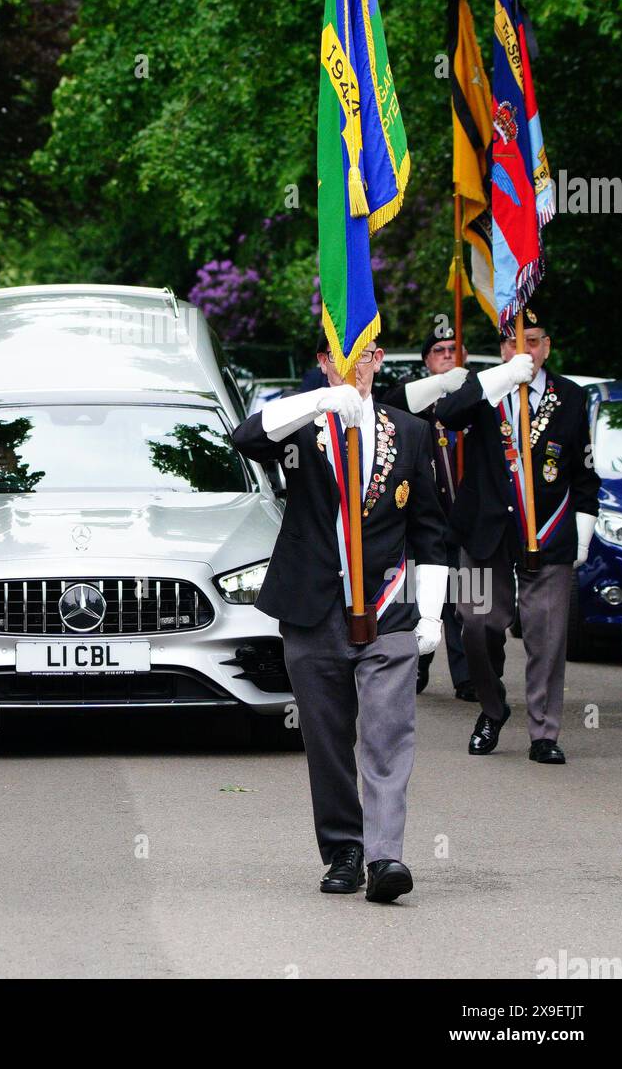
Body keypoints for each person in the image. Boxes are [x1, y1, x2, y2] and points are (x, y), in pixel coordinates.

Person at [232, 336, 448, 903]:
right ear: (325, 362)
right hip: (313, 607)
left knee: (386, 733)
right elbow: (246, 436)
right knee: (327, 739)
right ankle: (344, 849)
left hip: (388, 606)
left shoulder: (411, 430)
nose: (356, 363)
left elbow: (430, 528)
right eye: (340, 354)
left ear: (379, 360)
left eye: (367, 353)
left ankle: (385, 857)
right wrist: (320, 403)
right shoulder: (300, 429)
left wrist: (431, 610)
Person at [435, 308, 600, 764]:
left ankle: (544, 733)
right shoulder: (483, 389)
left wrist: (582, 532)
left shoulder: (570, 397)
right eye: (510, 341)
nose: (520, 349)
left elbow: (583, 476)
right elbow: (447, 415)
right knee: (474, 622)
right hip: (482, 532)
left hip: (547, 534)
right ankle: (492, 707)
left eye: (530, 340)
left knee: (547, 637)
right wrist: (499, 377)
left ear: (546, 346)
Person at [383, 327, 476, 701]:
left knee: (465, 596)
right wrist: (440, 384)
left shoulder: (475, 397)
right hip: (421, 520)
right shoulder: (416, 398)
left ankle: (466, 676)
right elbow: (391, 402)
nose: (447, 355)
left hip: (464, 517)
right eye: (439, 349)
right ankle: (416, 664)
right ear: (426, 359)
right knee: (419, 594)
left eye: (455, 349)